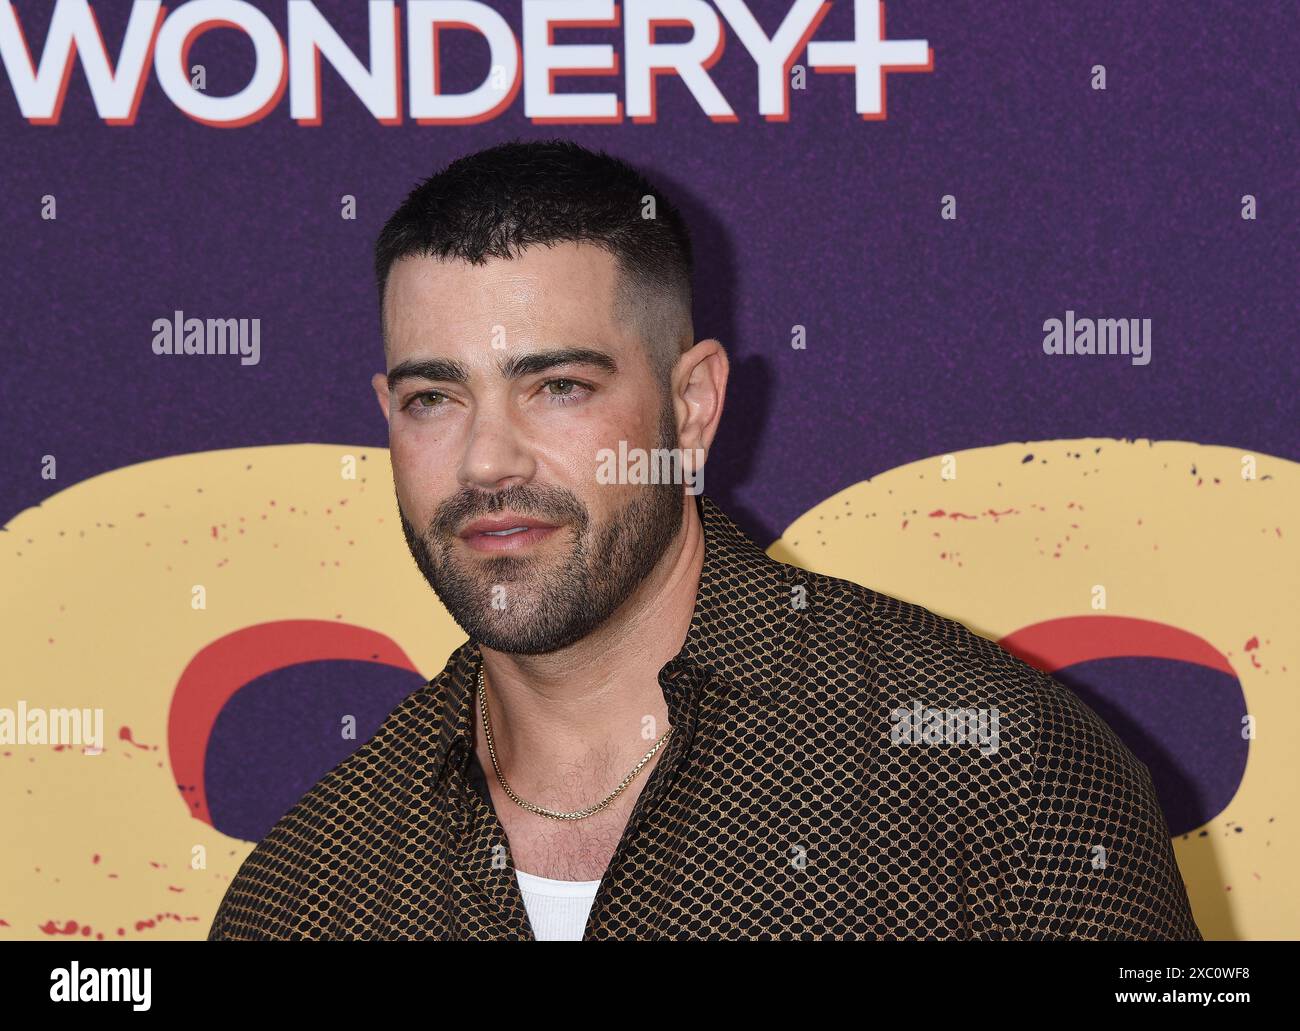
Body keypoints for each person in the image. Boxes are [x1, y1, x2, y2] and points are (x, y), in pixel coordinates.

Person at [208, 139, 1201, 940]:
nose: (485, 462)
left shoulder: (999, 779)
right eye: (434, 398)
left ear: (690, 407)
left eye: (558, 387)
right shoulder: (304, 891)